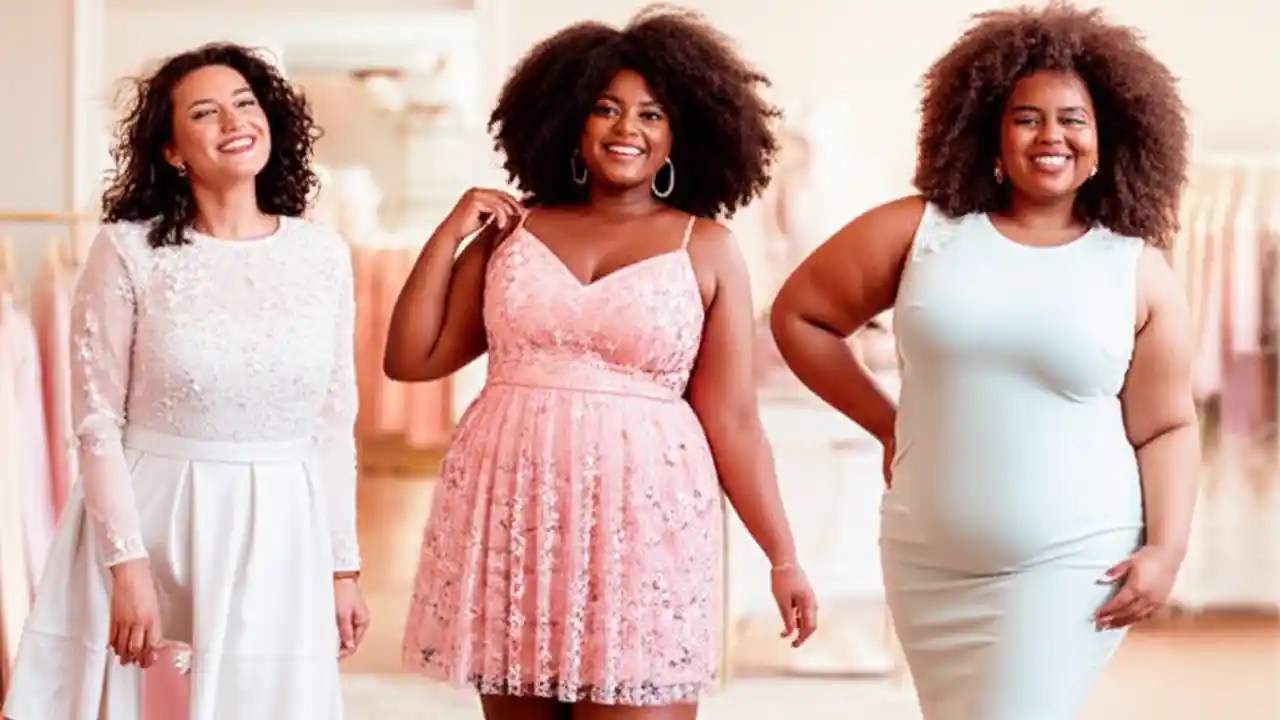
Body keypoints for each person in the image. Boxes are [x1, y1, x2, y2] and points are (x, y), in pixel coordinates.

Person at [386, 7, 817, 720]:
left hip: (644, 531)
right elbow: (410, 357)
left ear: (680, 133)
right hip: (511, 513)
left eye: (651, 115)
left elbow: (734, 420)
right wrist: (451, 228)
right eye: (606, 110)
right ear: (569, 124)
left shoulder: (705, 247)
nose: (627, 129)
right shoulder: (510, 234)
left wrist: (783, 556)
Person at [770, 4, 1197, 719]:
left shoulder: (1136, 271)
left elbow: (1167, 427)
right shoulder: (922, 232)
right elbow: (800, 317)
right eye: (1027, 117)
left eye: (1073, 119)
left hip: (1070, 560)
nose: (1051, 135)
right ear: (989, 132)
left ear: (1106, 139)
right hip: (927, 558)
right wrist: (887, 425)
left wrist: (1168, 549)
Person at [2, 43, 369, 720]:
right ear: (172, 151)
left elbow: (333, 421)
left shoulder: (322, 254)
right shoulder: (127, 251)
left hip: (283, 526)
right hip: (153, 524)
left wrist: (341, 568)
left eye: (246, 103)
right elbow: (95, 424)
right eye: (205, 112)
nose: (234, 120)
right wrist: (127, 566)